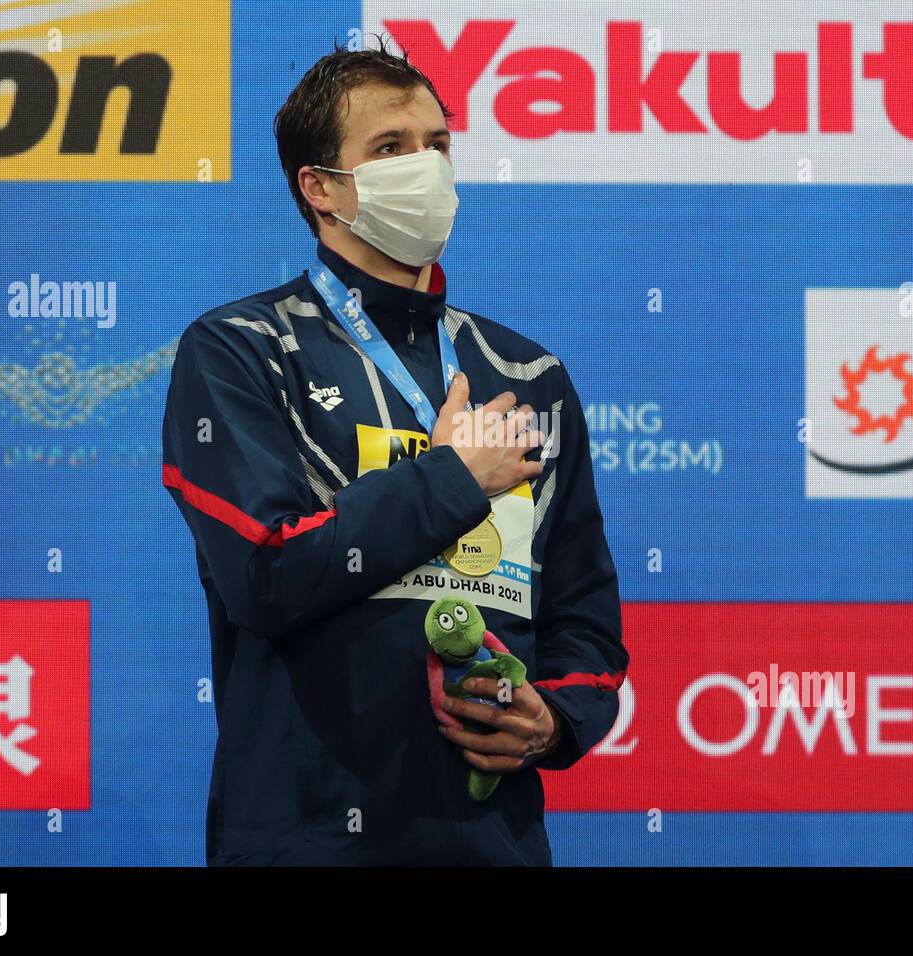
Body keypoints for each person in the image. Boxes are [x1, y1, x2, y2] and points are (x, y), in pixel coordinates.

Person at [161, 38, 627, 865]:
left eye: (437, 144)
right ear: (320, 188)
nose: (427, 168)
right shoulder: (240, 351)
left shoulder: (527, 374)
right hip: (304, 835)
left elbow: (584, 620)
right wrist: (452, 478)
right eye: (390, 148)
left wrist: (554, 721)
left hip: (493, 841)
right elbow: (266, 574)